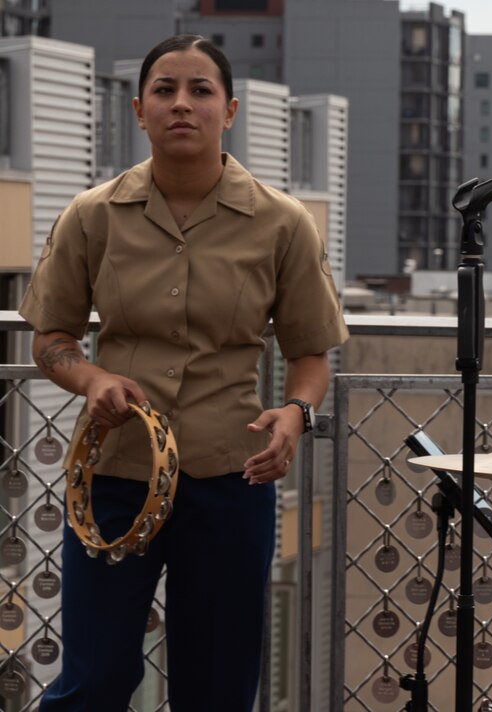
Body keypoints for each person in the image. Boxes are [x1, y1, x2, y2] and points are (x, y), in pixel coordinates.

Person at [19, 34, 348, 711]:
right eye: (164, 90)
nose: (181, 104)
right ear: (139, 110)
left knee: (217, 688)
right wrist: (91, 379)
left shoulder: (282, 222)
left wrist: (295, 413)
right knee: (95, 679)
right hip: (114, 473)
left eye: (201, 90)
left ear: (230, 110)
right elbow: (50, 339)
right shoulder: (92, 214)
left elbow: (311, 353)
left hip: (230, 479)